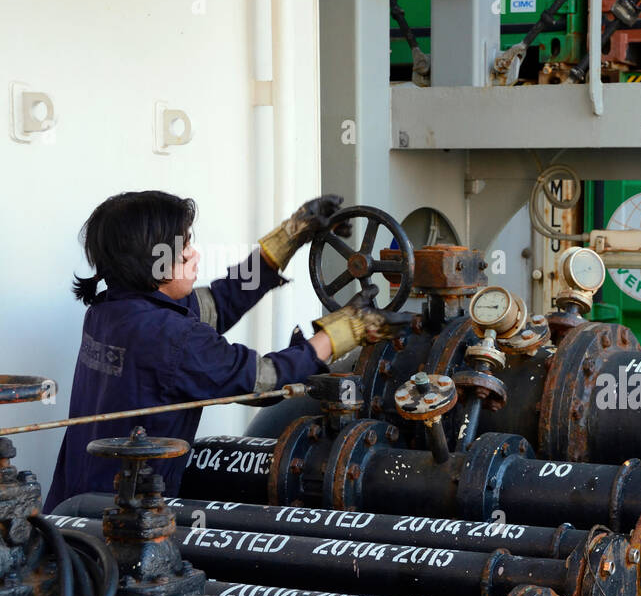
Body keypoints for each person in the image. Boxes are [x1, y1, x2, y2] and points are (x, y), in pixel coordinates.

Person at [44, 191, 387, 510]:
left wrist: (285, 241)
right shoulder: (170, 336)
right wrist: (345, 330)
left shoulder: (110, 310)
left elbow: (220, 303)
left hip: (72, 507)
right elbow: (263, 381)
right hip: (122, 521)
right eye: (184, 246)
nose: (195, 253)